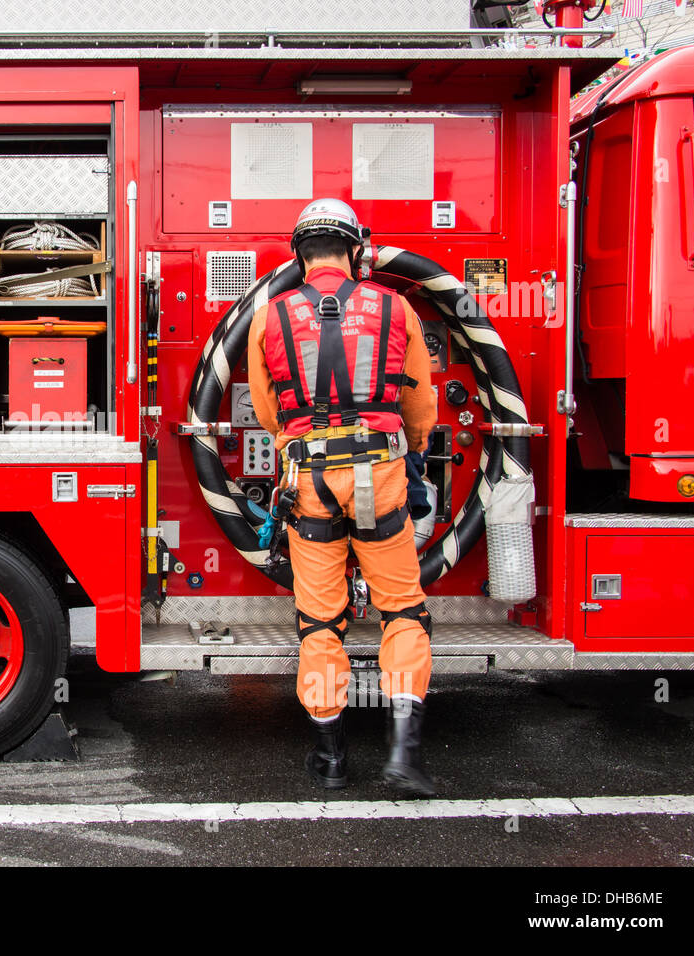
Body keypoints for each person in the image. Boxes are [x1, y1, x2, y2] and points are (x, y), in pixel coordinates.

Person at [246, 198, 439, 797]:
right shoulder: (395, 306)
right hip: (380, 472)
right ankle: (403, 756)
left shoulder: (267, 316)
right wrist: (414, 449)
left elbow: (265, 405)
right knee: (403, 609)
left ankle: (330, 760)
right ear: (356, 249)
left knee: (319, 621)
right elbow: (419, 404)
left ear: (298, 255)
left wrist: (297, 443)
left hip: (308, 479)